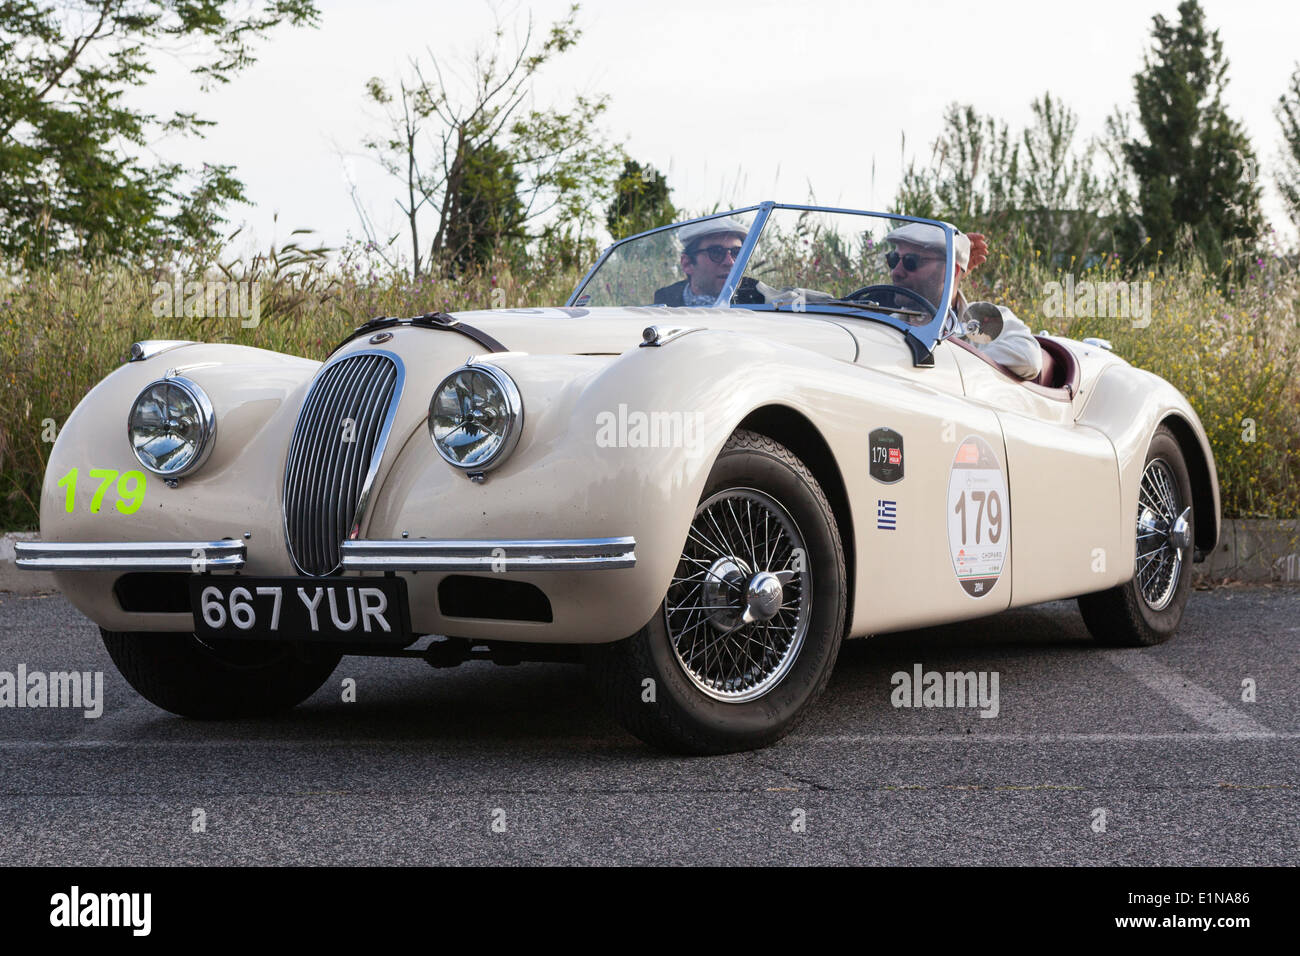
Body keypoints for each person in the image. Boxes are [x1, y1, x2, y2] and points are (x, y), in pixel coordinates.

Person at [882, 222, 1042, 380]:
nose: (896, 272)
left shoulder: (983, 319)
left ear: (951, 271)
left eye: (911, 261)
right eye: (893, 259)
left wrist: (950, 367)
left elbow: (1028, 356)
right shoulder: (886, 326)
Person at [653, 217, 766, 306]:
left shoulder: (763, 297)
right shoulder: (664, 302)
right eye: (716, 252)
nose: (730, 262)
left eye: (736, 252)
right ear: (687, 263)